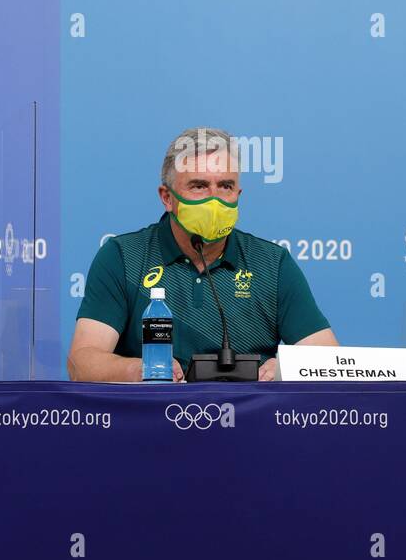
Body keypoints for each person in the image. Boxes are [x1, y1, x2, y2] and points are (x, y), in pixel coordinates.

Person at [69, 127, 338, 382]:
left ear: (238, 194)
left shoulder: (272, 264)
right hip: (152, 419)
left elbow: (329, 359)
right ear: (167, 197)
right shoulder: (123, 257)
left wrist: (289, 368)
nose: (214, 200)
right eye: (199, 186)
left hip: (253, 422)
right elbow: (82, 362)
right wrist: (142, 369)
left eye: (225, 186)